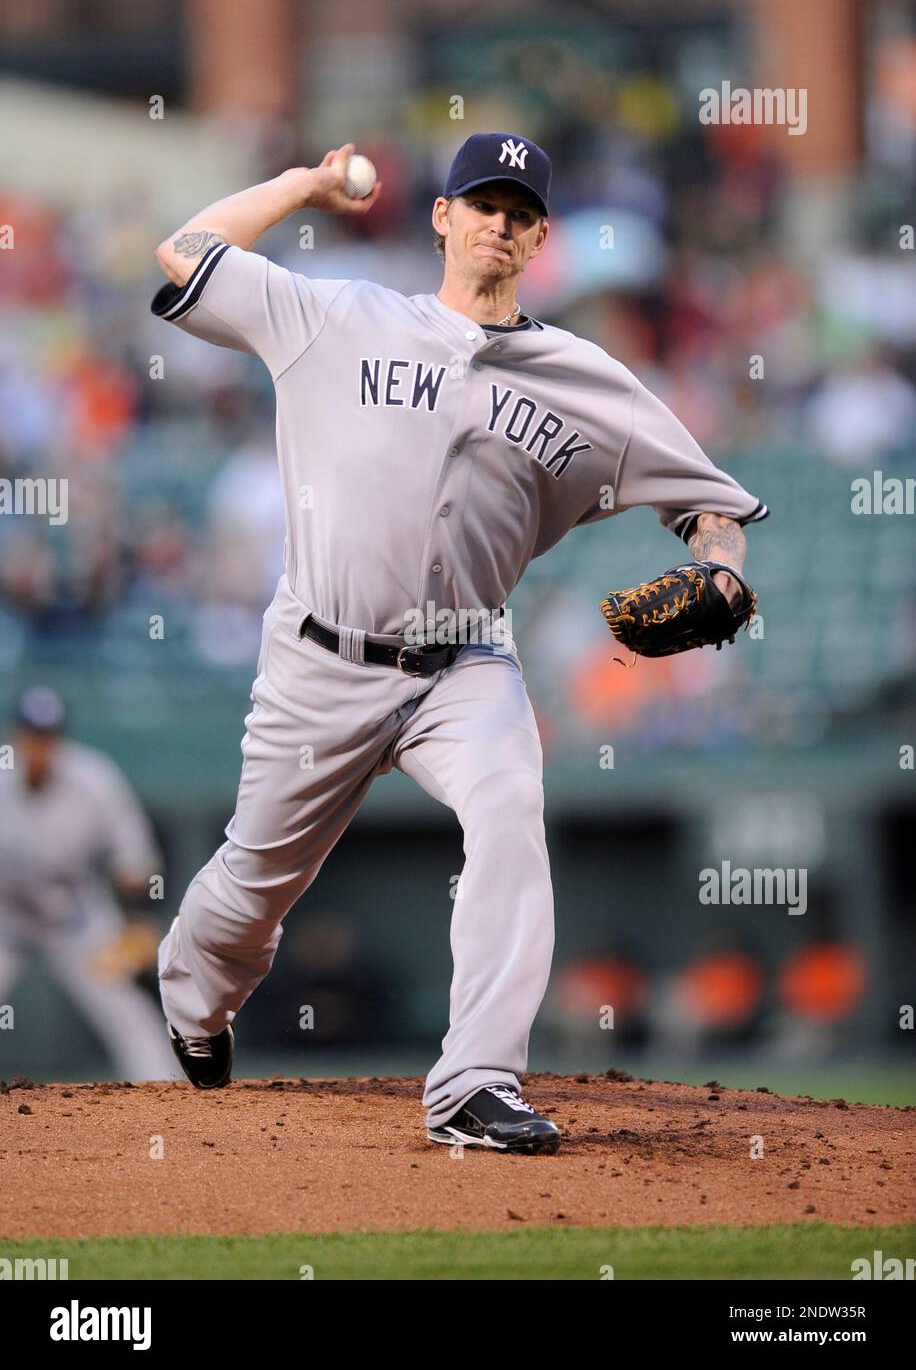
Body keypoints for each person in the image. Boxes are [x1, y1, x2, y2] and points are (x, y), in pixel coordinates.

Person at [151, 133, 768, 1153]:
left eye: (520, 210)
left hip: (466, 664)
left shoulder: (587, 380)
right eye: (481, 201)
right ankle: (194, 996)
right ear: (441, 217)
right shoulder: (336, 314)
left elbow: (711, 509)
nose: (499, 220)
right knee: (252, 885)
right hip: (319, 661)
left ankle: (475, 1081)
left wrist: (725, 567)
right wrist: (302, 184)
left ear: (538, 240)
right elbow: (182, 249)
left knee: (511, 806)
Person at [0, 687, 175, 1080]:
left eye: (48, 736)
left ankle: (165, 1096)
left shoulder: (95, 778)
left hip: (75, 917)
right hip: (6, 915)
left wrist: (135, 916)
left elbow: (138, 860)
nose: (39, 746)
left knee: (125, 1010)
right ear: (16, 735)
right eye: (31, 735)